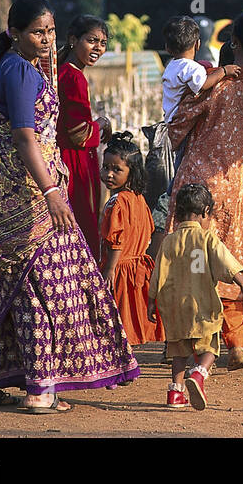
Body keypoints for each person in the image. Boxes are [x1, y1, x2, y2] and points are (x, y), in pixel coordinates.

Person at [0, 0, 138, 414]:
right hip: (26, 198)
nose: (47, 40)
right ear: (15, 33)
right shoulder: (22, 71)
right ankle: (41, 389)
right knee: (47, 289)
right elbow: (26, 137)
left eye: (51, 32)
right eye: (38, 33)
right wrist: (51, 191)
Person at [168, 9, 243, 370]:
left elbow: (177, 126)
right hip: (242, 187)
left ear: (233, 42)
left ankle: (187, 344)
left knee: (192, 262)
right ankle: (236, 343)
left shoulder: (213, 82)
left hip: (198, 183)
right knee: (231, 263)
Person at [149, 183, 243, 410]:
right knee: (209, 346)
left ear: (178, 213)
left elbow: (157, 273)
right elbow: (227, 264)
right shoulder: (207, 239)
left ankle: (175, 394)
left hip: (175, 307)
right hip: (201, 304)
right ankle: (199, 373)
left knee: (178, 350)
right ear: (206, 212)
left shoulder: (169, 241)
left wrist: (152, 301)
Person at [57, 15, 113, 260]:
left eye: (103, 42)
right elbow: (79, 134)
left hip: (63, 158)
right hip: (74, 162)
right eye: (92, 41)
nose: (98, 48)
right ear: (73, 40)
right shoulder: (73, 77)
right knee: (81, 230)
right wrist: (102, 123)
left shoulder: (62, 72)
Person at [99, 131, 161, 346]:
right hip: (136, 268)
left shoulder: (117, 203)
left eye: (117, 170)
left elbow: (116, 240)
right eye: (106, 167)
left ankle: (121, 365)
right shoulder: (139, 199)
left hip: (120, 268)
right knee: (129, 318)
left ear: (131, 172)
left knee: (116, 318)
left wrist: (109, 269)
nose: (109, 174)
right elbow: (148, 231)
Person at [161, 15, 241, 122]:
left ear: (167, 48)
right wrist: (224, 71)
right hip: (182, 120)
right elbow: (203, 85)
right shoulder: (191, 67)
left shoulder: (171, 65)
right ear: (197, 44)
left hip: (170, 119)